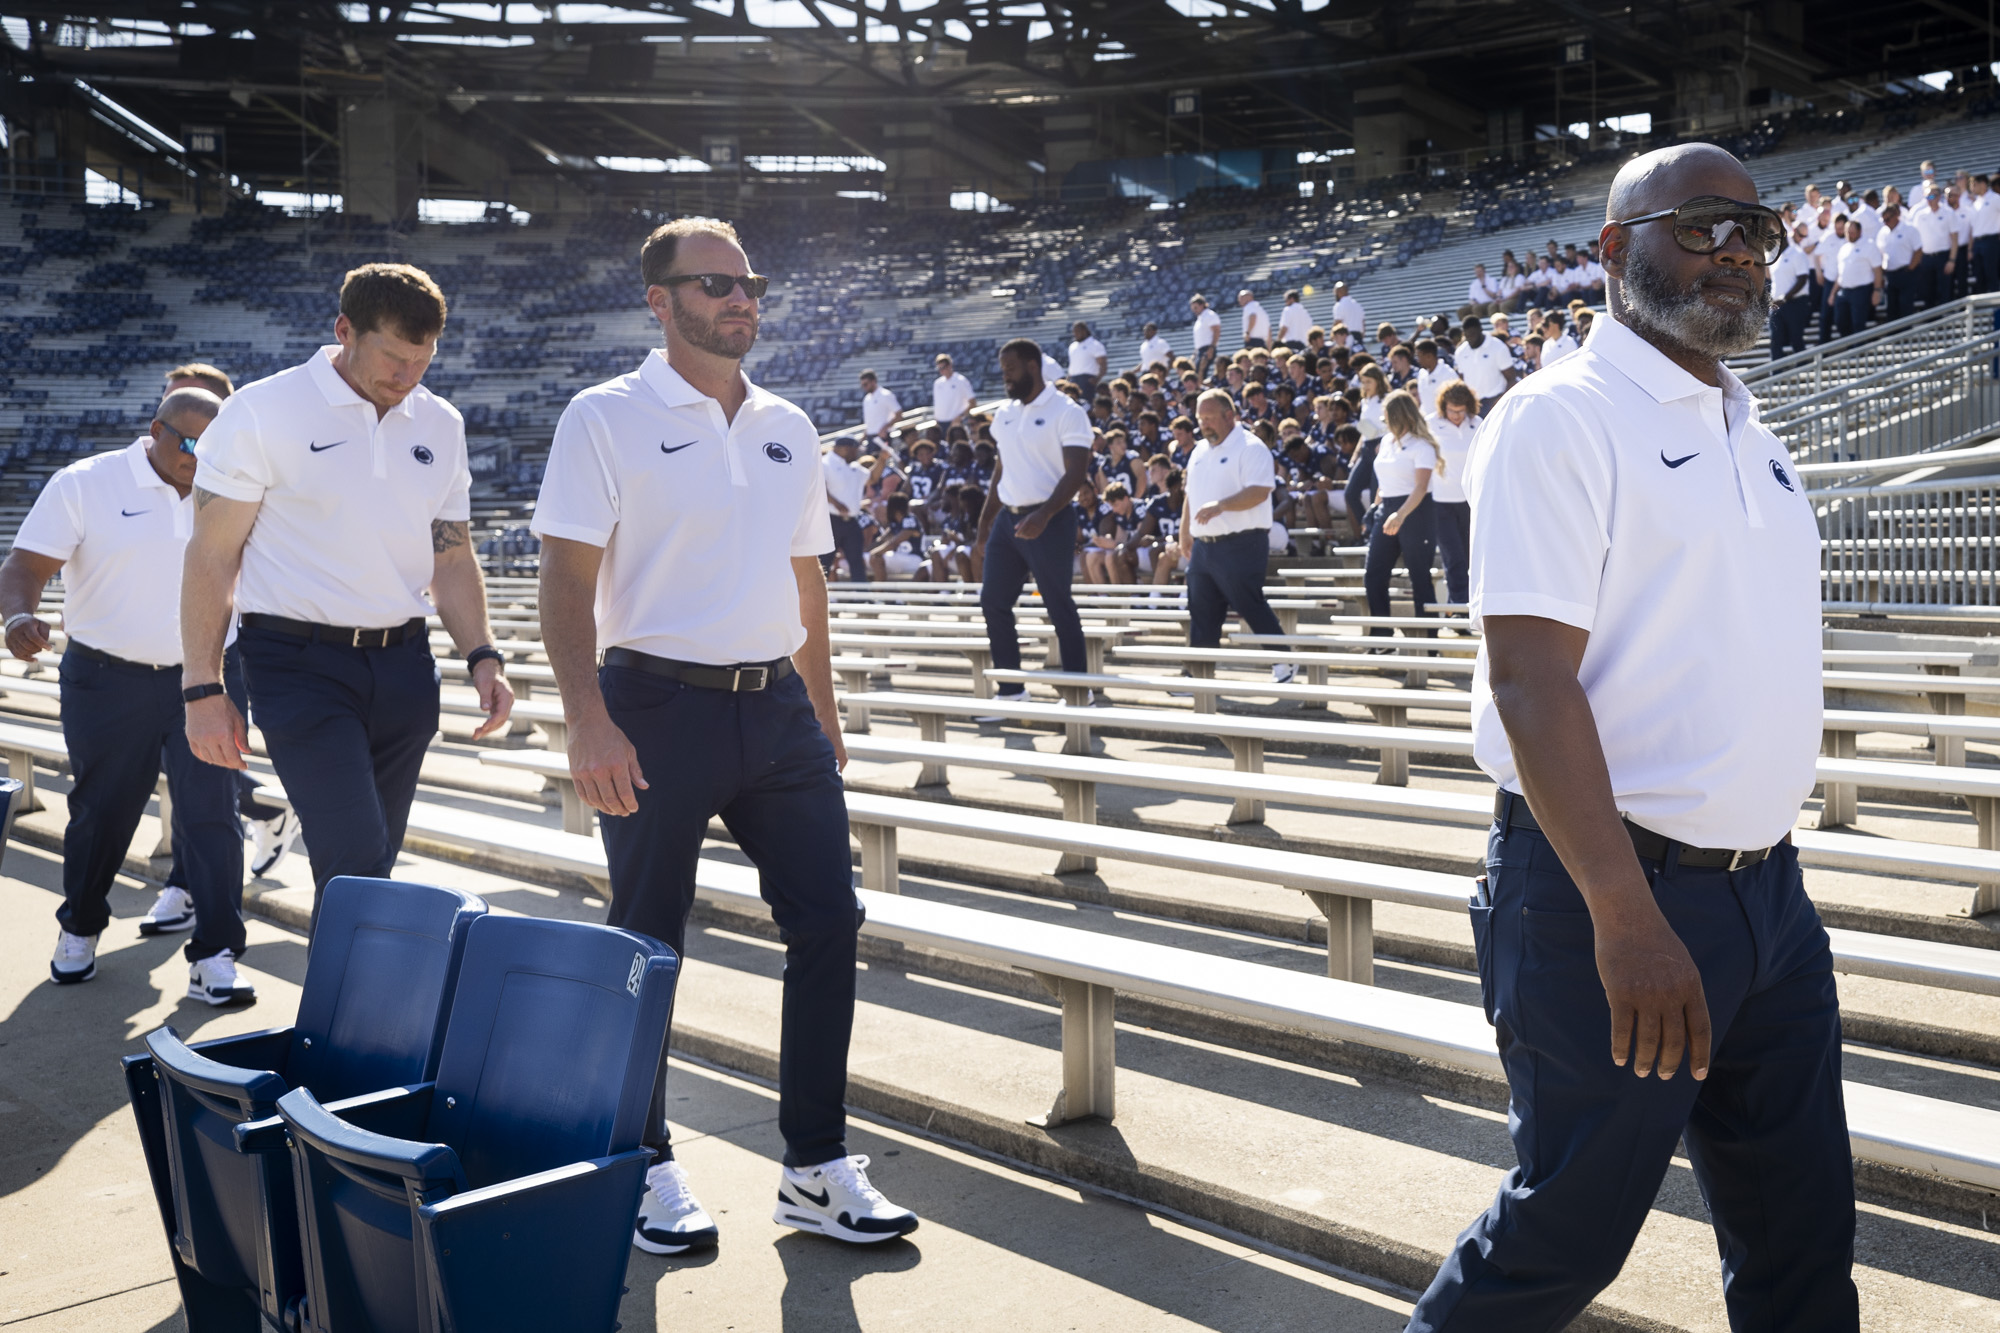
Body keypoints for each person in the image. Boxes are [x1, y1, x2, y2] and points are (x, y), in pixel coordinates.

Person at [1407, 143, 1854, 1331]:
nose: (1732, 256)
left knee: (1803, 1240)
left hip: (1765, 901)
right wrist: (1625, 914)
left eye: (1751, 232)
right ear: (1612, 250)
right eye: (1698, 228)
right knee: (1559, 1239)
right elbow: (1527, 682)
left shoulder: (1750, 428)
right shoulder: (1562, 416)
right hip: (1612, 897)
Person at [533, 217, 918, 1256]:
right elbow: (565, 581)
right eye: (713, 283)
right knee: (648, 940)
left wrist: (823, 710)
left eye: (749, 281)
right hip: (652, 707)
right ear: (658, 301)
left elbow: (807, 576)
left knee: (830, 920)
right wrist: (586, 720)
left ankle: (814, 1164)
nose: (738, 298)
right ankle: (644, 1162)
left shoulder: (789, 421)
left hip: (776, 710)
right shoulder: (603, 415)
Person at [182, 263, 515, 910]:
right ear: (345, 331)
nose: (408, 376)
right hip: (297, 663)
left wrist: (483, 654)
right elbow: (211, 557)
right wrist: (202, 686)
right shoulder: (262, 410)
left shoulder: (439, 423)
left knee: (372, 864)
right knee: (356, 856)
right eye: (393, 356)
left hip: (405, 665)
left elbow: (451, 554)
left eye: (423, 360)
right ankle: (347, 1011)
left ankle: (352, 1002)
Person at [5, 387, 255, 1002]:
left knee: (213, 816)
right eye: (191, 443)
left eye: (213, 445)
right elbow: (25, 567)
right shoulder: (84, 483)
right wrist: (16, 618)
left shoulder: (234, 484)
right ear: (157, 429)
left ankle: (216, 953)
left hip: (206, 677)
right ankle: (81, 926)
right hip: (107, 679)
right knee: (102, 813)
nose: (200, 457)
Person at [154, 362, 300, 879]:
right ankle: (193, 874)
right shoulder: (123, 478)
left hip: (223, 652)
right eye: (177, 409)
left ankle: (195, 886)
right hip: (144, 659)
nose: (194, 443)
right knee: (180, 775)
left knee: (206, 781)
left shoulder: (251, 478)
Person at [976, 338, 1092, 706]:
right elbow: (1001, 471)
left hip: (1051, 519)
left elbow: (1077, 472)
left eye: (1010, 369)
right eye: (1003, 370)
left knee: (1059, 604)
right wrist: (983, 526)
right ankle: (1012, 690)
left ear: (1032, 366)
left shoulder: (1067, 411)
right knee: (993, 602)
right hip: (1007, 523)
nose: (1005, 376)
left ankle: (1078, 692)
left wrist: (1043, 515)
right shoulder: (1006, 413)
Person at [1180, 390, 1290, 680]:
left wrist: (1221, 506)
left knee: (1248, 603)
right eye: (1200, 419)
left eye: (1209, 418)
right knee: (1201, 612)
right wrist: (1185, 532)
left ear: (1229, 416)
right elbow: (1190, 495)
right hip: (1204, 546)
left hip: (1242, 541)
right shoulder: (1199, 451)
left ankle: (1284, 661)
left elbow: (1259, 491)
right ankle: (1198, 674)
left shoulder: (1251, 447)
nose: (1203, 425)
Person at [1362, 390, 1438, 639]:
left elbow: (1421, 487)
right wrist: (1376, 508)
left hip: (1415, 512)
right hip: (1387, 510)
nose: (1385, 424)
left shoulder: (1422, 445)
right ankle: (1381, 635)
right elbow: (1384, 480)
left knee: (1419, 577)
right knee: (1373, 574)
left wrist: (1400, 515)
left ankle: (1429, 640)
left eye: (1387, 418)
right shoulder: (1386, 442)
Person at [1428, 382, 1479, 608]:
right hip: (1441, 502)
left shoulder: (1477, 424)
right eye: (1451, 410)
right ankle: (1459, 608)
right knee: (1453, 558)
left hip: (1470, 501)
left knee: (1470, 558)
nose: (1457, 416)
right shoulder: (1431, 424)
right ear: (1443, 407)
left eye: (1461, 411)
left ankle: (1460, 606)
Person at [820, 435, 885, 583]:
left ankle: (860, 599)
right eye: (855, 450)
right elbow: (819, 489)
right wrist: (836, 503)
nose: (857, 454)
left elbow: (872, 478)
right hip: (831, 521)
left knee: (856, 561)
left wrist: (882, 459)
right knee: (824, 562)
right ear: (844, 449)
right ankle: (815, 599)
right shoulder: (824, 463)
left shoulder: (854, 467)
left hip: (851, 522)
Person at [1767, 220, 1816, 359]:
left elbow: (1802, 279)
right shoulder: (1774, 257)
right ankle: (1776, 375)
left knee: (1796, 339)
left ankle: (1802, 369)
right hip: (1777, 305)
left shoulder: (1798, 253)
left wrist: (1785, 297)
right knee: (1775, 341)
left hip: (1795, 303)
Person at [1454, 316, 1516, 414]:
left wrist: (1502, 401)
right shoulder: (1460, 352)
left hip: (1495, 402)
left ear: (1480, 330)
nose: (1470, 339)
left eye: (1473, 335)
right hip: (1473, 404)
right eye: (1467, 336)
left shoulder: (1498, 347)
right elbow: (1462, 380)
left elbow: (1511, 377)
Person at [1833, 217, 1882, 338]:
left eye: (1852, 232)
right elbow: (1841, 273)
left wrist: (1877, 290)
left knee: (1858, 323)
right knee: (1840, 321)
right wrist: (1832, 293)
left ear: (1860, 232)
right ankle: (1850, 348)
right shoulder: (1844, 248)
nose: (1849, 235)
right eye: (1847, 232)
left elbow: (1877, 270)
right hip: (1844, 291)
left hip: (1861, 290)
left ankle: (1858, 350)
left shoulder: (1869, 245)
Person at [1909, 188, 1957, 310]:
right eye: (1927, 197)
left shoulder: (1948, 213)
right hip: (1926, 257)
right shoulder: (1920, 215)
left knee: (1944, 289)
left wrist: (1951, 260)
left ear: (1939, 197)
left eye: (1933, 197)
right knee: (1927, 290)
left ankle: (1945, 318)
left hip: (1943, 256)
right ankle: (1931, 319)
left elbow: (1954, 238)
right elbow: (1915, 238)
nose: (1930, 200)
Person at [1876, 203, 1923, 321]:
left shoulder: (1909, 229)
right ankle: (1894, 336)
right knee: (1892, 307)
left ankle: (1906, 335)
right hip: (1890, 275)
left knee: (1905, 305)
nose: (1886, 222)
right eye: (1884, 220)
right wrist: (1881, 274)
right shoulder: (1882, 232)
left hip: (1906, 272)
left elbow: (1918, 250)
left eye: (1888, 219)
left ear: (1896, 215)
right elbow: (1880, 254)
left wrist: (1910, 268)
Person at [931, 354, 974, 433]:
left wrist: (960, 417)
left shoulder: (961, 380)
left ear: (950, 366)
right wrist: (936, 420)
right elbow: (937, 404)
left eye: (943, 367)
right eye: (939, 368)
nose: (941, 371)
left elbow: (972, 402)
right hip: (941, 423)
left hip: (956, 423)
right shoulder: (937, 383)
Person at [1066, 321, 1108, 403]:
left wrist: (1097, 379)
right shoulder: (1072, 346)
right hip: (1073, 379)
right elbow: (1073, 365)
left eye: (1077, 331)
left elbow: (1103, 364)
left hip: (1086, 380)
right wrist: (1068, 379)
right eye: (1074, 332)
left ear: (1084, 331)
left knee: (1086, 404)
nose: (1075, 334)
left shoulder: (1095, 345)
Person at [857, 369, 900, 443]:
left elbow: (899, 414)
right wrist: (863, 438)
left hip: (883, 437)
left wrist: (885, 428)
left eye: (866, 384)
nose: (864, 387)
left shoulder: (885, 395)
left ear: (873, 381)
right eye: (862, 385)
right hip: (870, 438)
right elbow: (869, 422)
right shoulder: (866, 399)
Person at [1189, 294, 1222, 382]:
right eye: (1193, 309)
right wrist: (1195, 353)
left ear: (1202, 305)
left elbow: (1216, 331)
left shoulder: (1209, 315)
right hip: (1201, 350)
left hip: (1207, 348)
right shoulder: (1200, 319)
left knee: (1201, 372)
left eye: (1196, 308)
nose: (1194, 311)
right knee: (1197, 372)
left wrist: (1212, 347)